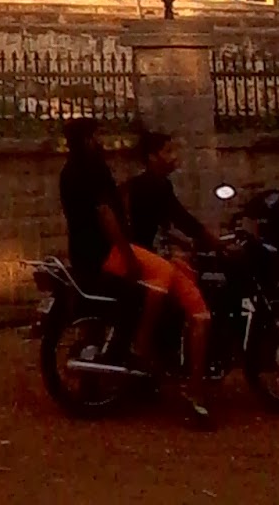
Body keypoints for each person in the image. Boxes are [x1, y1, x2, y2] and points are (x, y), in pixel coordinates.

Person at [58, 118, 168, 381]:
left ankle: (96, 371)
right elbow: (104, 212)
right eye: (97, 135)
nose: (101, 141)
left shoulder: (68, 171)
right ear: (86, 140)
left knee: (104, 309)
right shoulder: (93, 168)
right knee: (143, 293)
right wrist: (127, 253)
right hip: (103, 252)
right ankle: (131, 352)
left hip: (81, 252)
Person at [126, 130, 215, 422]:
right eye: (168, 151)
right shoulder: (157, 186)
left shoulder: (142, 185)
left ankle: (161, 358)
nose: (174, 157)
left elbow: (163, 223)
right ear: (153, 157)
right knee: (200, 316)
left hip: (144, 254)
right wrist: (214, 241)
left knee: (188, 271)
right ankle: (195, 391)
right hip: (149, 260)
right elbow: (181, 218)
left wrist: (186, 243)